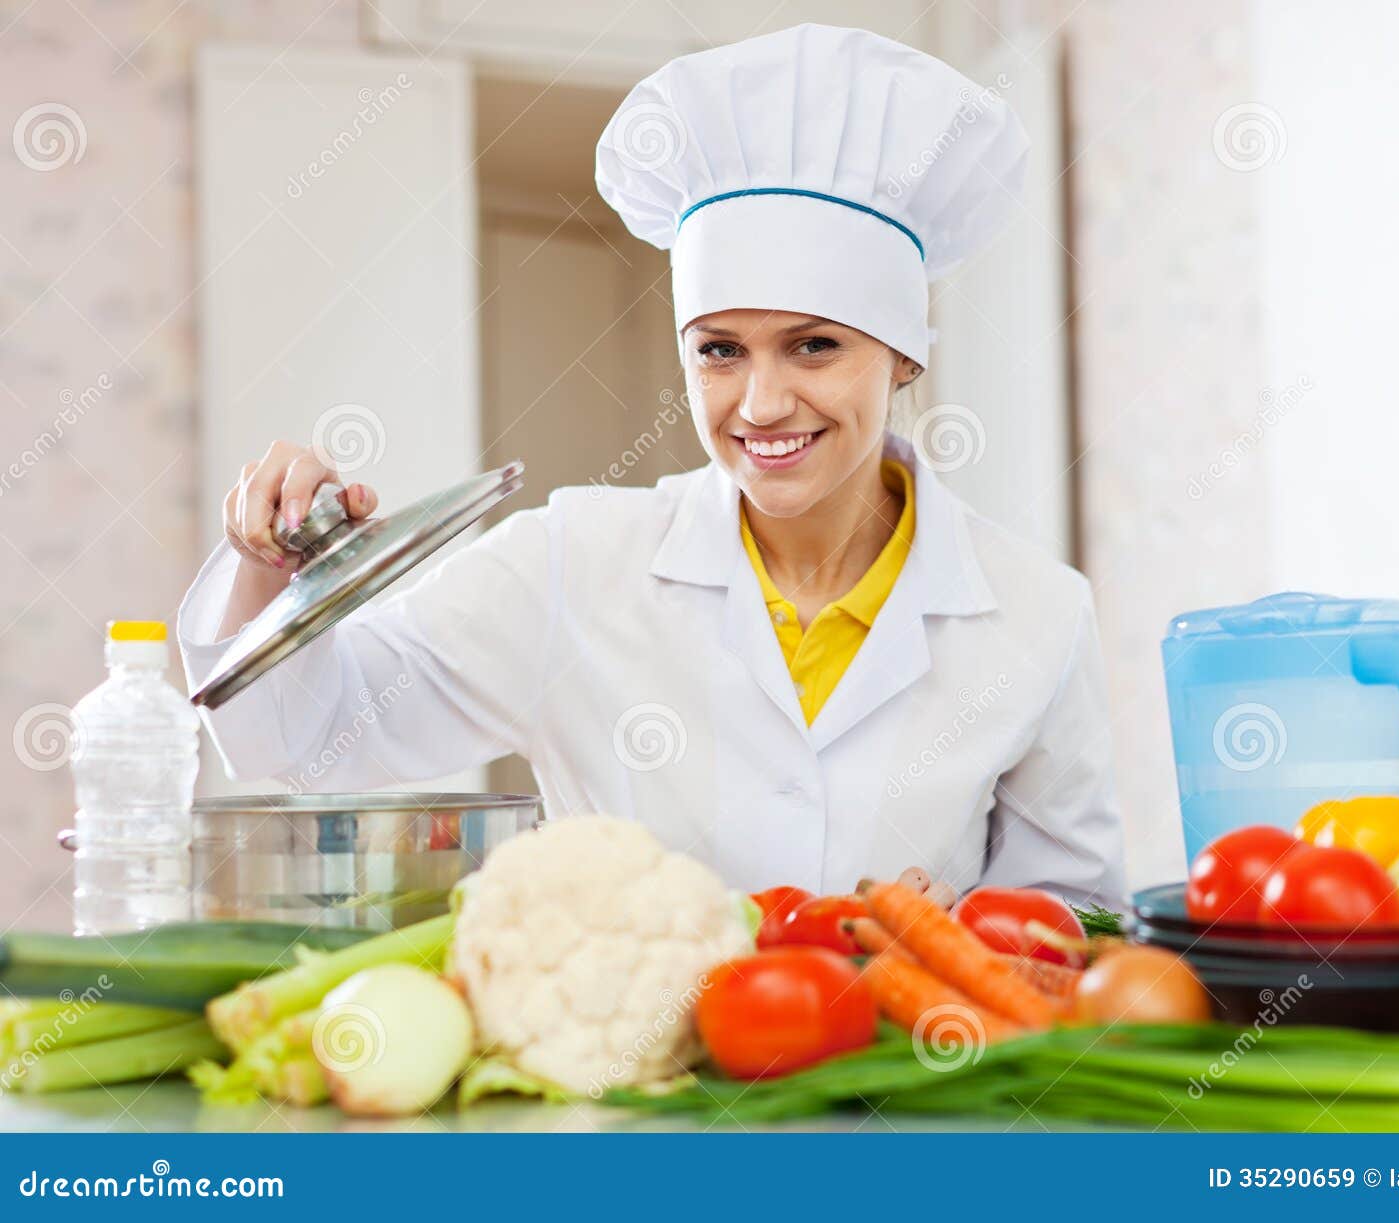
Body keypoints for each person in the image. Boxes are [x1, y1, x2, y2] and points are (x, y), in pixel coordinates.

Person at [177, 24, 1125, 906]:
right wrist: (269, 562)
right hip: (624, 1087)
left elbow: (1072, 925)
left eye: (814, 346)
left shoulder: (1038, 612)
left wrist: (943, 955)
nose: (760, 405)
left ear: (905, 356)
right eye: (719, 351)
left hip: (913, 1080)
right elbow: (296, 737)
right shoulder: (569, 562)